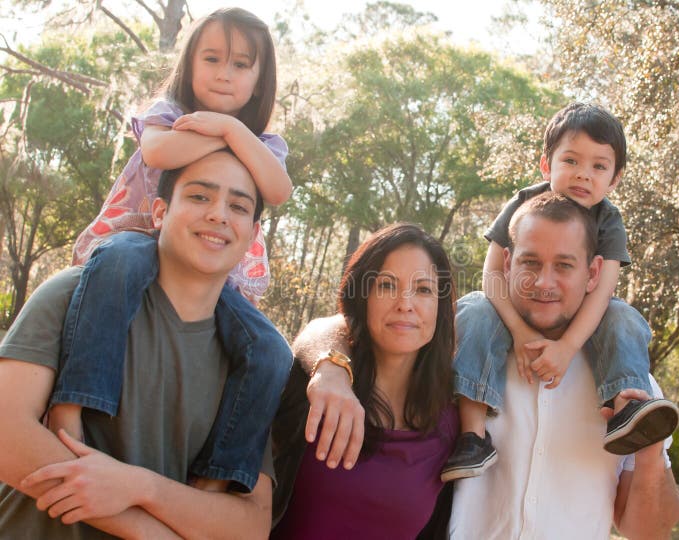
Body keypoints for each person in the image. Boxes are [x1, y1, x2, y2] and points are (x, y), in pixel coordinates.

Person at [47, 7, 292, 493]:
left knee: (271, 350)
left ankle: (217, 475)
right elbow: (159, 154)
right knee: (116, 264)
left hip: (212, 274)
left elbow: (278, 189)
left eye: (242, 64)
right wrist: (221, 135)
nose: (225, 72)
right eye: (213, 58)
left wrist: (231, 130)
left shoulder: (262, 141)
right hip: (141, 239)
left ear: (259, 79)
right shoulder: (168, 113)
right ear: (190, 63)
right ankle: (70, 406)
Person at [0, 150, 292, 538]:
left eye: (238, 206)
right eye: (199, 197)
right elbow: (7, 436)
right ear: (159, 212)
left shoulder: (254, 361)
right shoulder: (73, 294)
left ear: (253, 236)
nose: (219, 215)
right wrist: (146, 531)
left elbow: (250, 523)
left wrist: (142, 487)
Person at [441, 102, 679, 481]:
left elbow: (602, 292)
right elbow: (492, 274)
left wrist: (567, 347)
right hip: (517, 310)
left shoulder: (608, 220)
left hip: (585, 317)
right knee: (473, 309)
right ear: (546, 164)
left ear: (614, 179)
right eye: (571, 160)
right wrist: (520, 333)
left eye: (599, 166)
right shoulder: (523, 202)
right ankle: (472, 435)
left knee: (624, 317)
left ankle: (626, 406)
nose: (583, 175)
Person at [448, 192, 679, 538]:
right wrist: (335, 367)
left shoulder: (630, 388)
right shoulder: (460, 353)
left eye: (563, 265)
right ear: (507, 264)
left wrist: (648, 454)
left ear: (593, 273)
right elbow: (365, 330)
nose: (544, 282)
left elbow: (648, 533)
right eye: (530, 263)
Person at [270, 224, 458, 539]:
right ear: (363, 297)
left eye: (423, 289)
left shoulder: (452, 424)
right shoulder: (312, 393)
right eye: (386, 285)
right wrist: (332, 370)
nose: (405, 304)